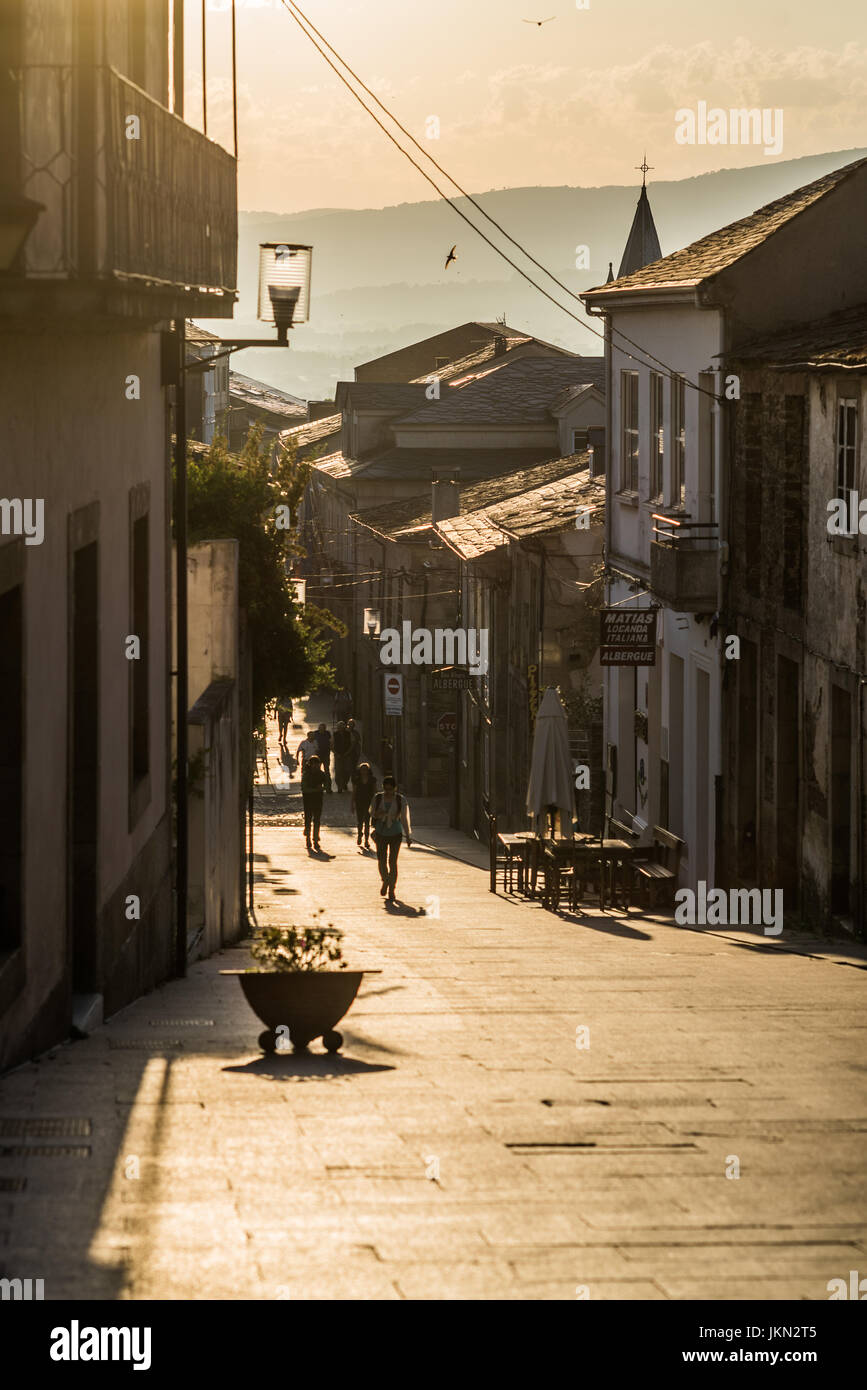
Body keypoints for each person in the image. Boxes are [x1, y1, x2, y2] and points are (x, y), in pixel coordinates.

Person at [371, 775, 412, 902]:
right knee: (381, 861)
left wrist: (408, 835)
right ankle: (386, 880)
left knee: (392, 862)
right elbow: (372, 813)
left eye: (390, 789)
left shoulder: (401, 800)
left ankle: (391, 889)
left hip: (396, 833)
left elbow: (404, 818)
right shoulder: (377, 798)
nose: (388, 792)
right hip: (381, 833)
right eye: (386, 789)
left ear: (395, 788)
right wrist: (380, 814)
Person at [300, 754, 330, 851]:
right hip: (308, 800)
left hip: (318, 800)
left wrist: (324, 786)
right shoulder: (306, 774)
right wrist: (317, 789)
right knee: (308, 820)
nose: (316, 766)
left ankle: (315, 839)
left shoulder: (321, 774)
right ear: (310, 764)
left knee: (317, 820)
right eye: (314, 764)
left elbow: (327, 786)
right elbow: (304, 789)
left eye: (317, 764)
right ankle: (308, 838)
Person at [350, 761, 376, 849]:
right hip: (359, 802)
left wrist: (375, 803)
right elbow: (354, 792)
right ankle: (359, 834)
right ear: (360, 771)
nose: (364, 771)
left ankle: (366, 840)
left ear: (368, 770)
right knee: (360, 821)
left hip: (369, 802)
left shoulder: (372, 780)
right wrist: (352, 804)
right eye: (362, 770)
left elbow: (374, 792)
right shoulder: (357, 780)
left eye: (365, 770)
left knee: (367, 822)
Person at [332, 720, 352, 793]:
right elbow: (331, 745)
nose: (341, 728)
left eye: (342, 726)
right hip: (338, 756)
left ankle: (344, 783)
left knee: (347, 770)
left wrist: (348, 752)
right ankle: (339, 786)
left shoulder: (348, 734)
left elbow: (352, 744)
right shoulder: (335, 734)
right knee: (338, 771)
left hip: (347, 755)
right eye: (339, 726)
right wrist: (336, 753)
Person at [313, 722, 333, 792]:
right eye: (320, 728)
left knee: (327, 771)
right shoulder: (315, 733)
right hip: (318, 755)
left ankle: (328, 787)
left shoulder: (327, 733)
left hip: (326, 754)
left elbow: (331, 741)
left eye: (323, 728)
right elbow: (312, 741)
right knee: (317, 771)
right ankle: (318, 787)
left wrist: (331, 748)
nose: (321, 730)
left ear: (325, 729)